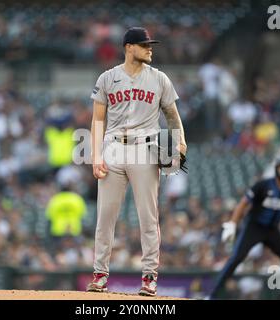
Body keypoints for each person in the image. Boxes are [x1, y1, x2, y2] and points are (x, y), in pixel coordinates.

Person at [87, 27, 187, 296]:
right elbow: (97, 119)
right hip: (114, 149)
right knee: (105, 216)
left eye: (150, 45)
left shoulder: (160, 79)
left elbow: (172, 114)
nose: (150, 48)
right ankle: (99, 274)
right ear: (129, 47)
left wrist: (180, 141)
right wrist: (96, 155)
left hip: (146, 150)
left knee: (148, 217)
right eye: (144, 45)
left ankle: (149, 277)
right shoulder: (108, 78)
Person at [208, 155, 280, 299]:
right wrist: (232, 223)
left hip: (272, 230)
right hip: (254, 227)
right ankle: (213, 295)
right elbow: (243, 203)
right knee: (236, 258)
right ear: (276, 168)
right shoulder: (263, 185)